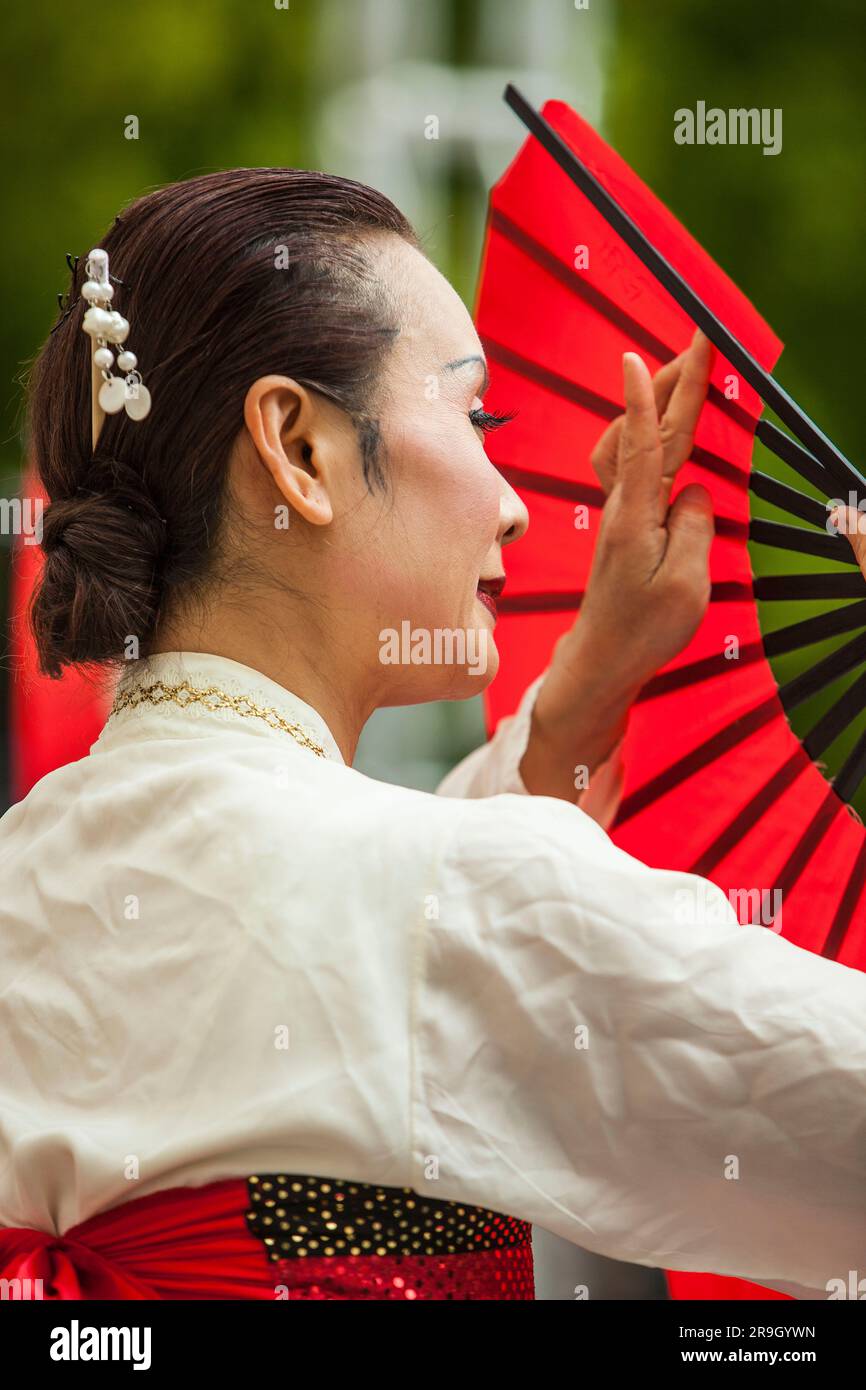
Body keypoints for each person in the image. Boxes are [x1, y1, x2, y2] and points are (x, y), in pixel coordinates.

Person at [1, 168, 863, 1301]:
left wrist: (587, 683)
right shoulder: (446, 902)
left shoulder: (37, 874)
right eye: (472, 416)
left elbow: (356, 922)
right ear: (297, 451)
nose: (510, 501)